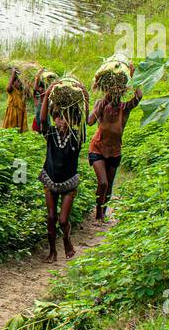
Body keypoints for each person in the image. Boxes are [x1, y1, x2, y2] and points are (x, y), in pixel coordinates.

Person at [39, 81, 88, 262]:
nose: (62, 121)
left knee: (62, 220)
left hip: (69, 184)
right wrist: (47, 95)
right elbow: (42, 120)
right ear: (55, 118)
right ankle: (52, 251)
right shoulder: (50, 133)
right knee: (51, 217)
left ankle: (67, 240)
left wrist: (85, 96)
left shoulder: (77, 136)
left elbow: (85, 122)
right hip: (50, 180)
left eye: (66, 117)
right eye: (59, 117)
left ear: (73, 119)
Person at [86, 82, 143, 221]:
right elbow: (90, 121)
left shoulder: (125, 107)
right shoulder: (101, 104)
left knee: (109, 185)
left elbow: (138, 97)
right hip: (97, 148)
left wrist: (135, 79)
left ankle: (103, 212)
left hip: (115, 150)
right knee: (103, 183)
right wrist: (106, 98)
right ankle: (98, 212)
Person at [2, 67, 27, 132]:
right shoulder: (11, 90)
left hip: (20, 113)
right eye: (17, 81)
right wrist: (13, 73)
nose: (19, 83)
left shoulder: (22, 92)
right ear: (13, 83)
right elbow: (8, 87)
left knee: (19, 131)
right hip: (12, 113)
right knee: (11, 129)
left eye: (20, 82)